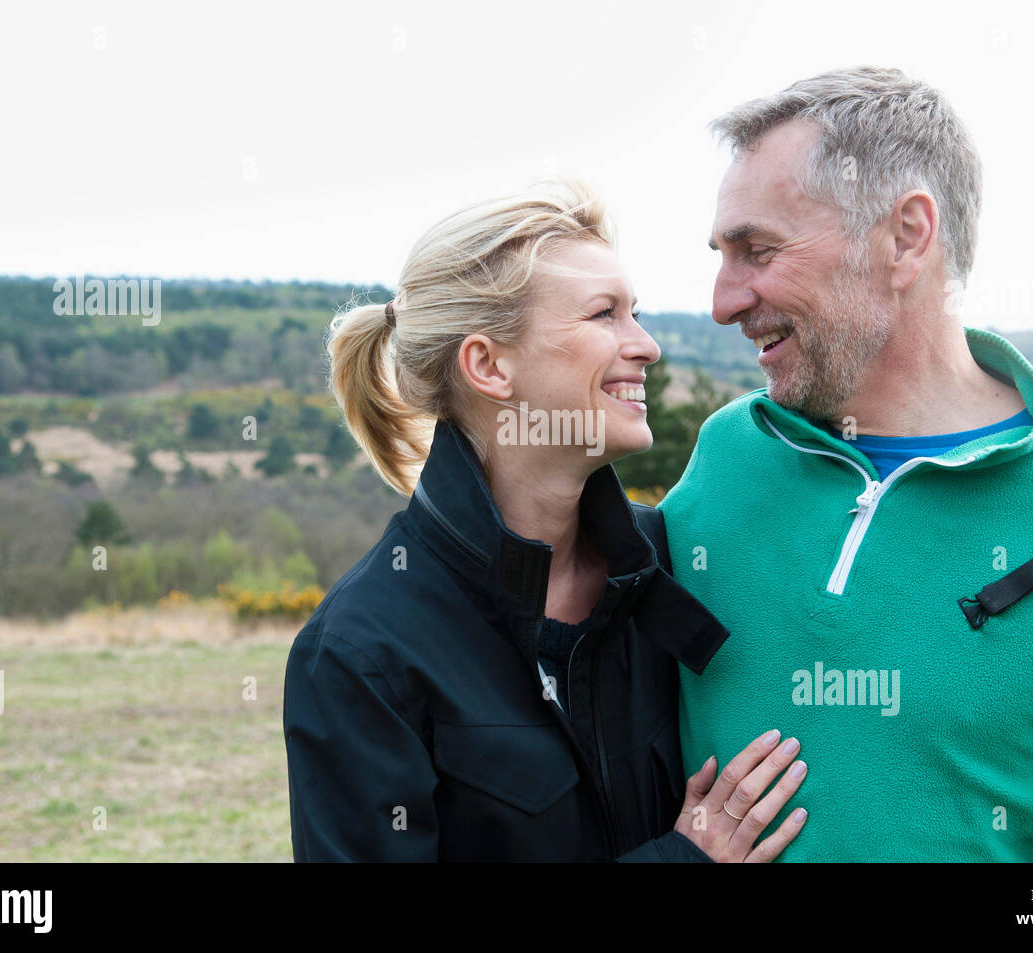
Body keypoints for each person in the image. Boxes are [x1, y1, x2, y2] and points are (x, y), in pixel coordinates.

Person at [661, 66, 1033, 861]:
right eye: (721, 253)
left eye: (758, 250)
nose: (722, 300)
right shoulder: (724, 459)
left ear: (907, 235)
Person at [282, 179, 811, 861]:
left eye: (636, 312)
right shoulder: (360, 654)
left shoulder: (662, 565)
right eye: (603, 316)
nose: (646, 345)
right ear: (488, 365)